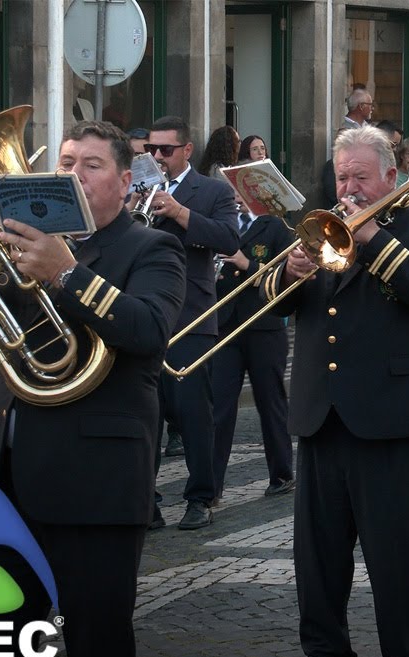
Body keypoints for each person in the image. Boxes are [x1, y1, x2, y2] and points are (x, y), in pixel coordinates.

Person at [0, 119, 186, 657]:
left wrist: (66, 272)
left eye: (91, 165)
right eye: (65, 162)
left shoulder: (151, 248)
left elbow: (149, 331)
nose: (73, 174)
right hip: (8, 484)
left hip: (97, 485)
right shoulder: (19, 241)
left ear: (125, 182)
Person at [261, 126, 409, 657]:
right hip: (321, 409)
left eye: (360, 177)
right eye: (342, 177)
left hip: (388, 411)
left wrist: (371, 238)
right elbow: (274, 303)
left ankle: (407, 653)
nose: (348, 188)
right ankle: (326, 650)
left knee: (395, 544)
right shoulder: (317, 228)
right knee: (317, 549)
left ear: (390, 176)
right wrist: (287, 274)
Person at [145, 115, 242, 530]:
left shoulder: (213, 190)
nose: (157, 157)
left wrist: (180, 212)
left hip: (192, 314)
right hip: (144, 312)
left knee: (193, 412)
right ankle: (145, 500)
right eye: (151, 149)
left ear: (186, 150)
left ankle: (201, 496)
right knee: (146, 413)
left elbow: (229, 239)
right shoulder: (138, 187)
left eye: (165, 150)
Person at [209, 194, 295, 499]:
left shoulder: (276, 226)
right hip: (226, 325)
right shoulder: (222, 225)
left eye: (241, 192)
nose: (236, 198)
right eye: (231, 191)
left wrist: (247, 264)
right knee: (219, 407)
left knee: (271, 402)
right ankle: (211, 486)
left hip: (264, 325)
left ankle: (282, 473)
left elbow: (286, 276)